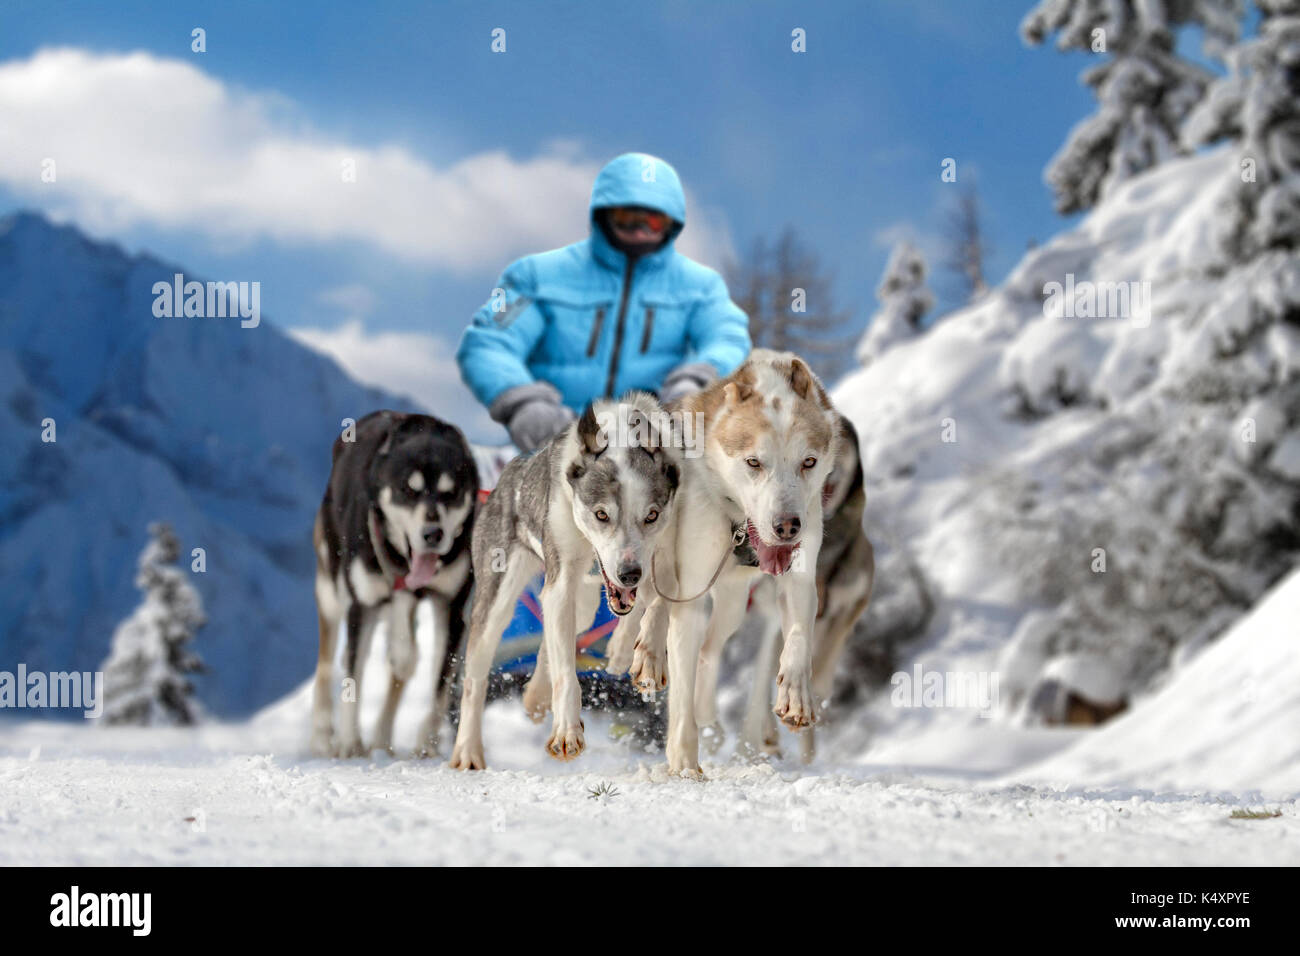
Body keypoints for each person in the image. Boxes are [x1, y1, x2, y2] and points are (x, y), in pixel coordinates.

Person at [457, 152, 752, 453]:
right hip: (553, 449)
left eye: (653, 220)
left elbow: (728, 338)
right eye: (628, 218)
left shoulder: (702, 287)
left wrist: (697, 382)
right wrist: (522, 401)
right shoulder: (534, 276)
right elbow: (489, 341)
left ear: (671, 224)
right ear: (604, 215)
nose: (640, 230)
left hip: (651, 454)